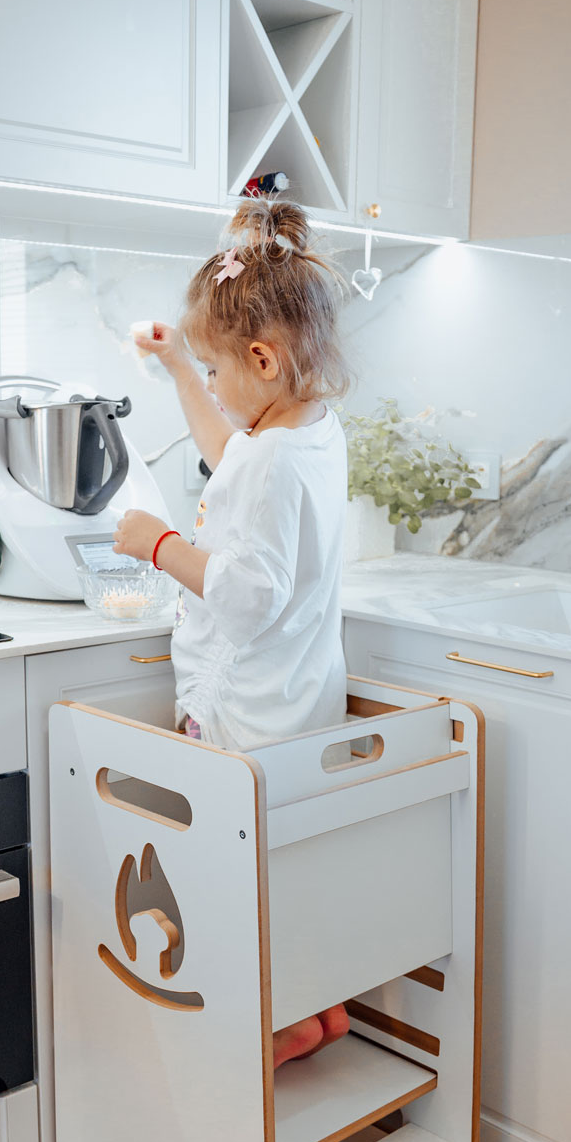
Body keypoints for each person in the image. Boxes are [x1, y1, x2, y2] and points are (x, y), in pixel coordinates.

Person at [114, 197, 352, 1067]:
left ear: (263, 358)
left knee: (227, 875)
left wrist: (160, 543)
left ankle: (281, 1022)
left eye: (218, 371)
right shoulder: (308, 433)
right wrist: (183, 368)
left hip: (244, 711)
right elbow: (235, 452)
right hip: (298, 700)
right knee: (281, 872)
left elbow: (247, 597)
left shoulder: (277, 455)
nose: (213, 390)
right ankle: (317, 1006)